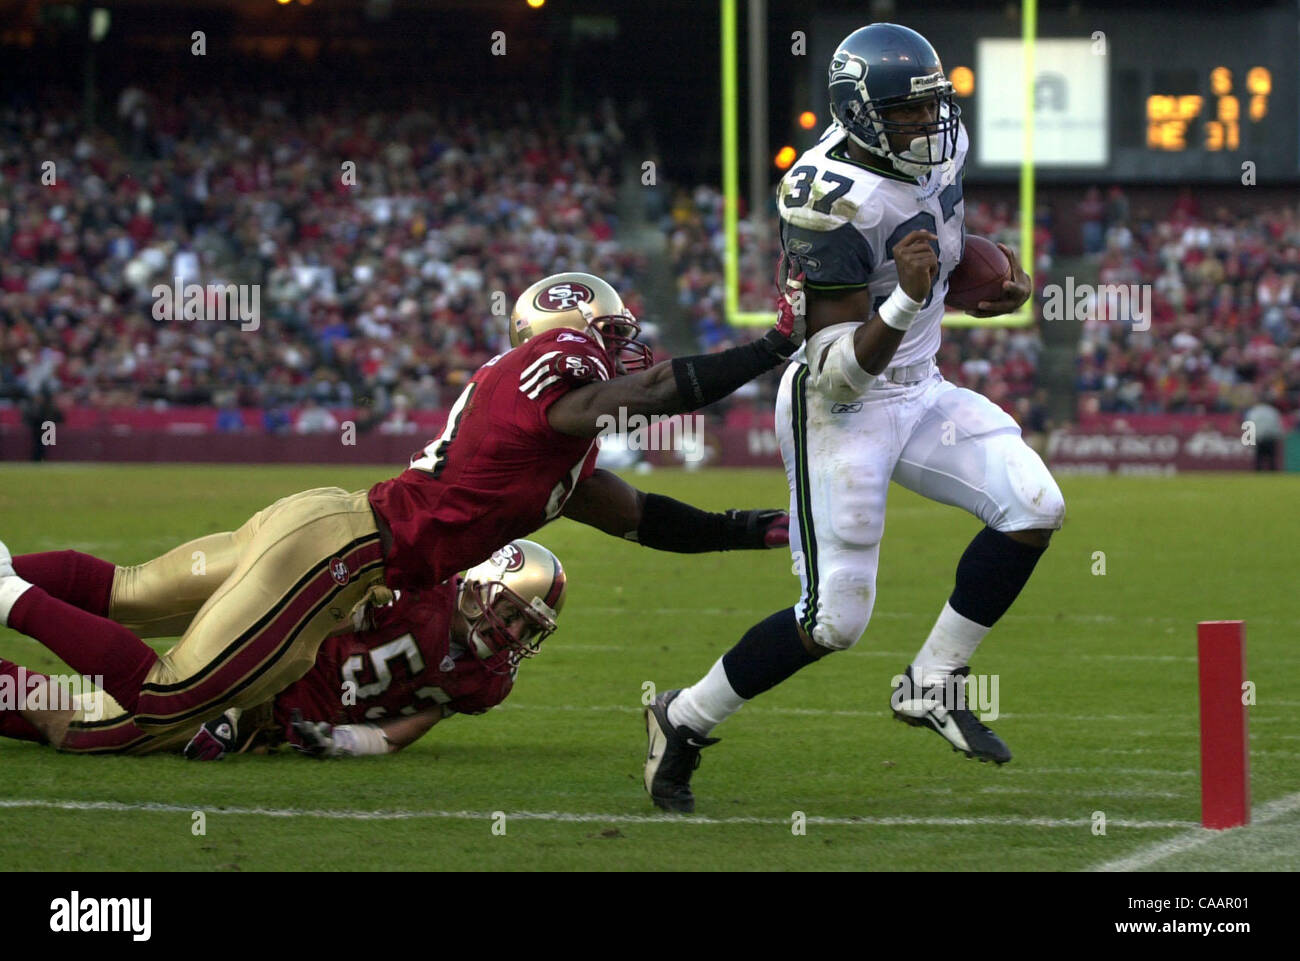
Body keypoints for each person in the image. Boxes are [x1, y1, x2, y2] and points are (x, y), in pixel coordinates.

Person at [0, 271, 802, 746]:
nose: (624, 348)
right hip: (344, 553)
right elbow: (654, 390)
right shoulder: (551, 371)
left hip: (330, 530)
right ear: (569, 330)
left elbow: (647, 518)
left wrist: (769, 528)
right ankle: (6, 589)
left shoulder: (559, 447)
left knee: (130, 591)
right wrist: (773, 345)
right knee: (168, 698)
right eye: (611, 332)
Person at [643, 24, 1065, 813]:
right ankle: (685, 716)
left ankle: (932, 680)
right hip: (840, 407)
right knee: (834, 619)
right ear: (860, 115)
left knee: (1035, 505)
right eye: (907, 112)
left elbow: (942, 241)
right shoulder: (827, 196)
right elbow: (838, 368)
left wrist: (988, 276)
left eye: (931, 106)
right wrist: (906, 297)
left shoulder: (941, 146)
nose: (927, 124)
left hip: (921, 387)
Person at [0, 540, 565, 759]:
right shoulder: (417, 593)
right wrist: (239, 700)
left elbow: (428, 710)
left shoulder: (488, 679)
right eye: (511, 610)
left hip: (278, 687)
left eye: (527, 625)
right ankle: (7, 588)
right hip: (270, 644)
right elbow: (306, 618)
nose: (512, 630)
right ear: (479, 584)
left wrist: (358, 741)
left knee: (128, 598)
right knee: (105, 717)